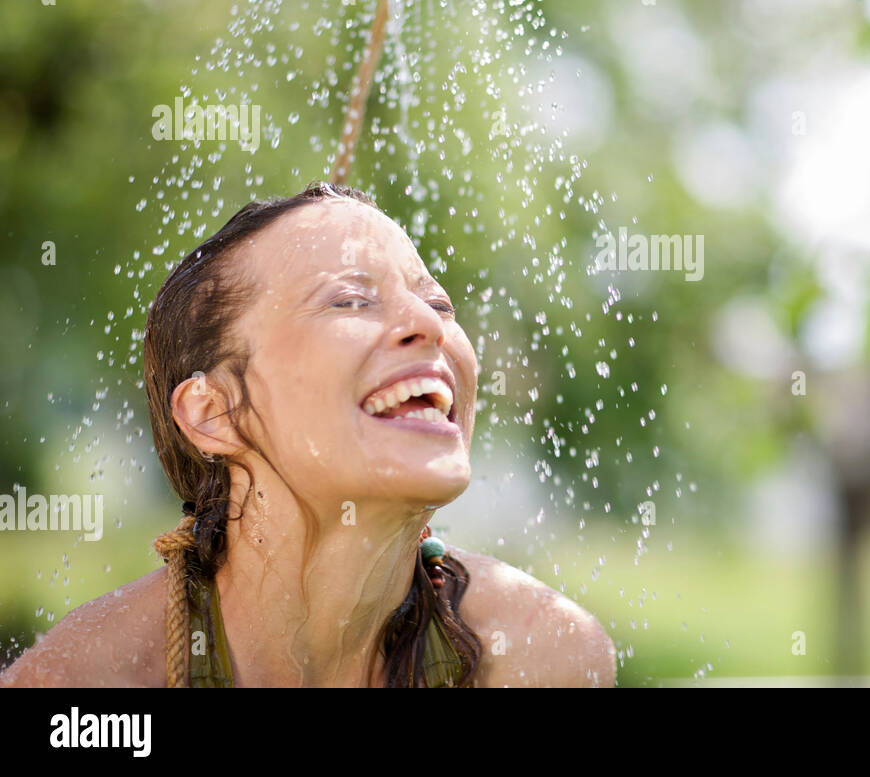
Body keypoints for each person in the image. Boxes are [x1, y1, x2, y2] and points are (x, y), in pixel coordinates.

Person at [0, 181, 616, 687]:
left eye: (441, 304)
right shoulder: (86, 685)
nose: (427, 324)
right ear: (215, 411)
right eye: (349, 301)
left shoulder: (538, 656)